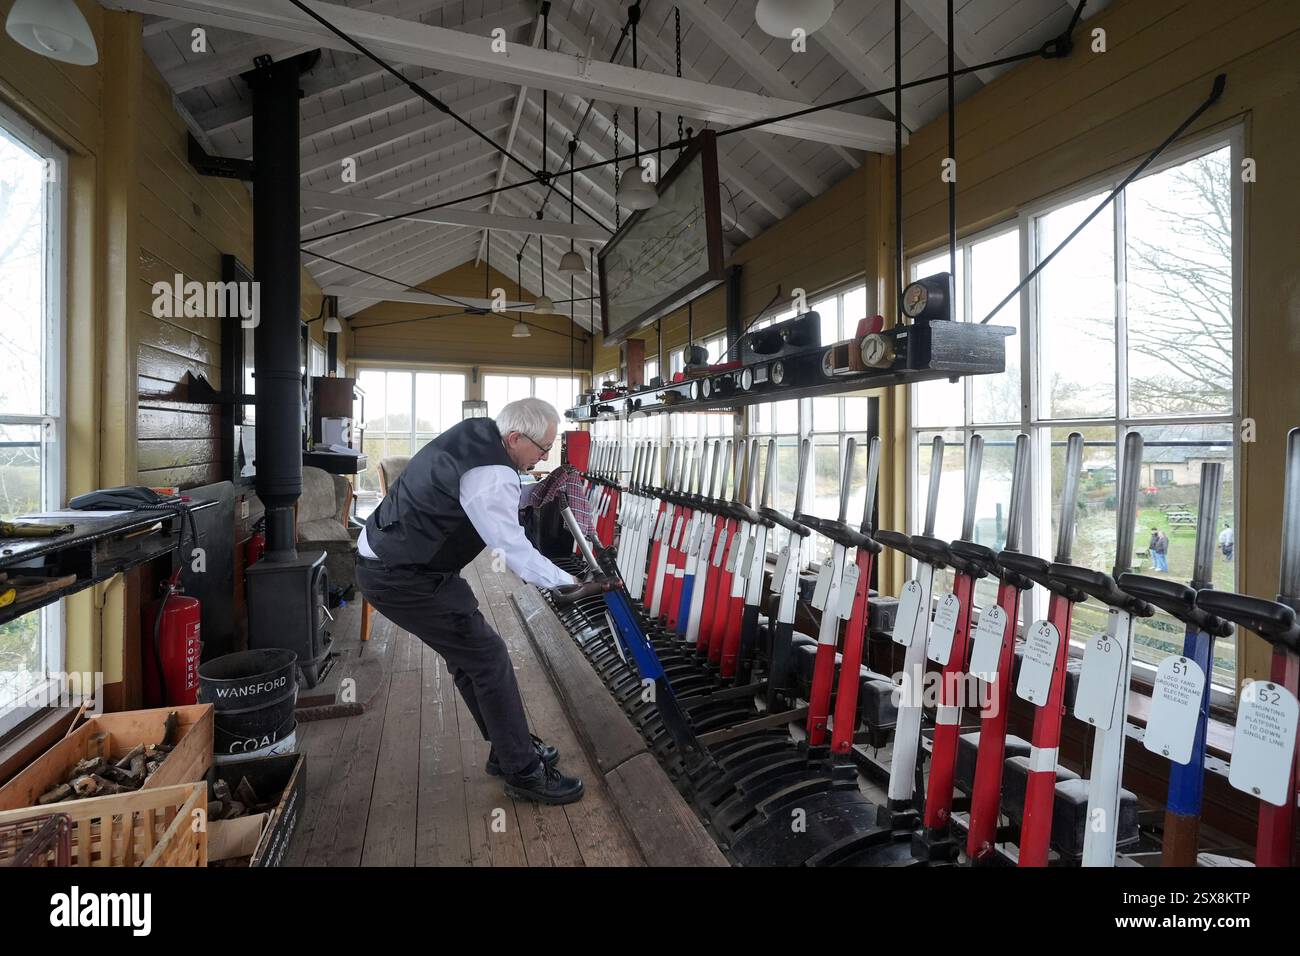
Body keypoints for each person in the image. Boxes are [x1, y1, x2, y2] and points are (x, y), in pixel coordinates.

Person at [355, 398, 600, 805]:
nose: (543, 457)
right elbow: (512, 549)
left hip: (396, 561)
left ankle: (508, 749)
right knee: (488, 658)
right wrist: (570, 580)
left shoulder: (478, 435)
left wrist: (531, 493)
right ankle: (524, 773)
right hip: (400, 576)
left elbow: (482, 500)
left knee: (472, 656)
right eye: (542, 449)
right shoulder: (492, 473)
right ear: (516, 437)